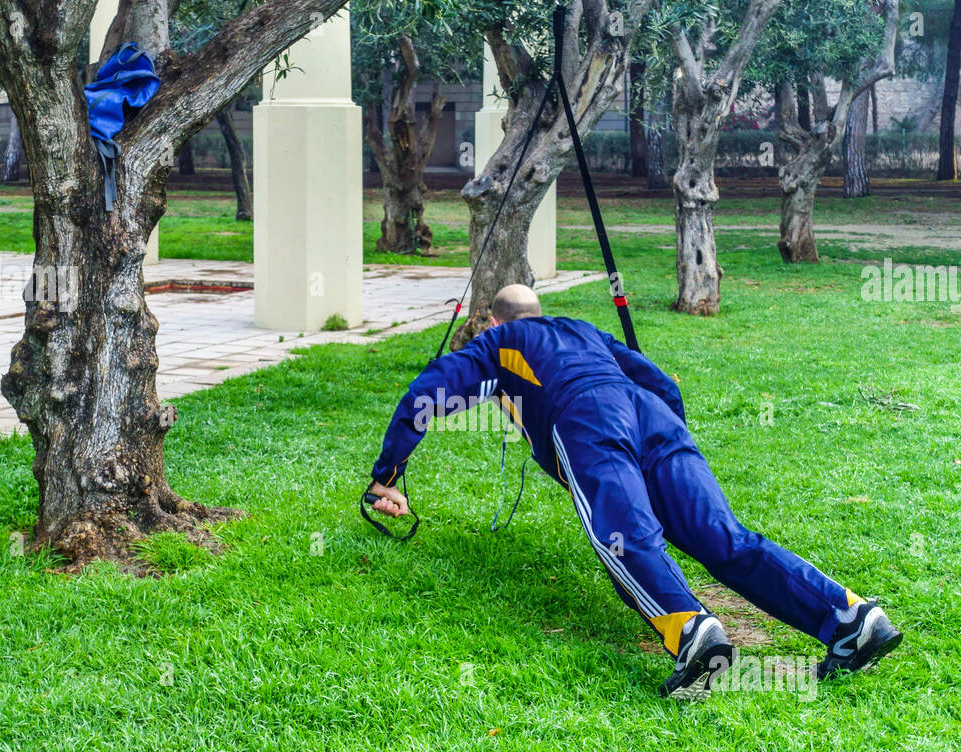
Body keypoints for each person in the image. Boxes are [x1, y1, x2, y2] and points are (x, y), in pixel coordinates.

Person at [366, 284, 902, 699]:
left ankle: (691, 631)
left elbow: (427, 395)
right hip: (654, 418)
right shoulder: (582, 329)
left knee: (621, 539)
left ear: (491, 319)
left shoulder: (501, 341)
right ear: (540, 309)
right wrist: (669, 454)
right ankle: (852, 618)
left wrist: (386, 476)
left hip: (587, 419)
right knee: (723, 537)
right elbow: (663, 383)